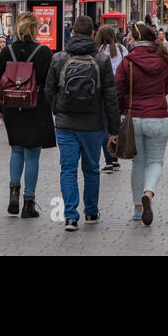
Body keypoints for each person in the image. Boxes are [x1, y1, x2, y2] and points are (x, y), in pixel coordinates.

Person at [44, 14, 121, 231]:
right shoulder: (102, 60)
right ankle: (91, 212)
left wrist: (57, 110)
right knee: (91, 169)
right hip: (93, 125)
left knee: (67, 169)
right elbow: (110, 97)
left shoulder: (58, 58)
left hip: (65, 124)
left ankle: (70, 216)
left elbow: (48, 91)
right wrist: (113, 129)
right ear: (93, 33)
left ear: (73, 32)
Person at [0, 12, 56, 219]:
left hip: (12, 107)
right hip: (35, 107)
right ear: (35, 28)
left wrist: (0, 109)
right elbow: (50, 84)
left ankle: (13, 192)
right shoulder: (44, 52)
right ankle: (28, 203)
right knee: (33, 154)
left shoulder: (7, 52)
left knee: (16, 150)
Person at [116, 22, 168, 224]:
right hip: (157, 116)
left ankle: (138, 209)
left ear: (135, 39)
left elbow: (118, 90)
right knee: (155, 161)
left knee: (137, 163)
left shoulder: (127, 62)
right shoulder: (163, 60)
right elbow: (166, 88)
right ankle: (148, 194)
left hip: (133, 118)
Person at [96, 24, 127, 172]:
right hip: (119, 91)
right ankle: (115, 158)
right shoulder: (121, 49)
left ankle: (108, 161)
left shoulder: (98, 51)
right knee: (116, 125)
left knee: (105, 126)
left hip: (103, 92)